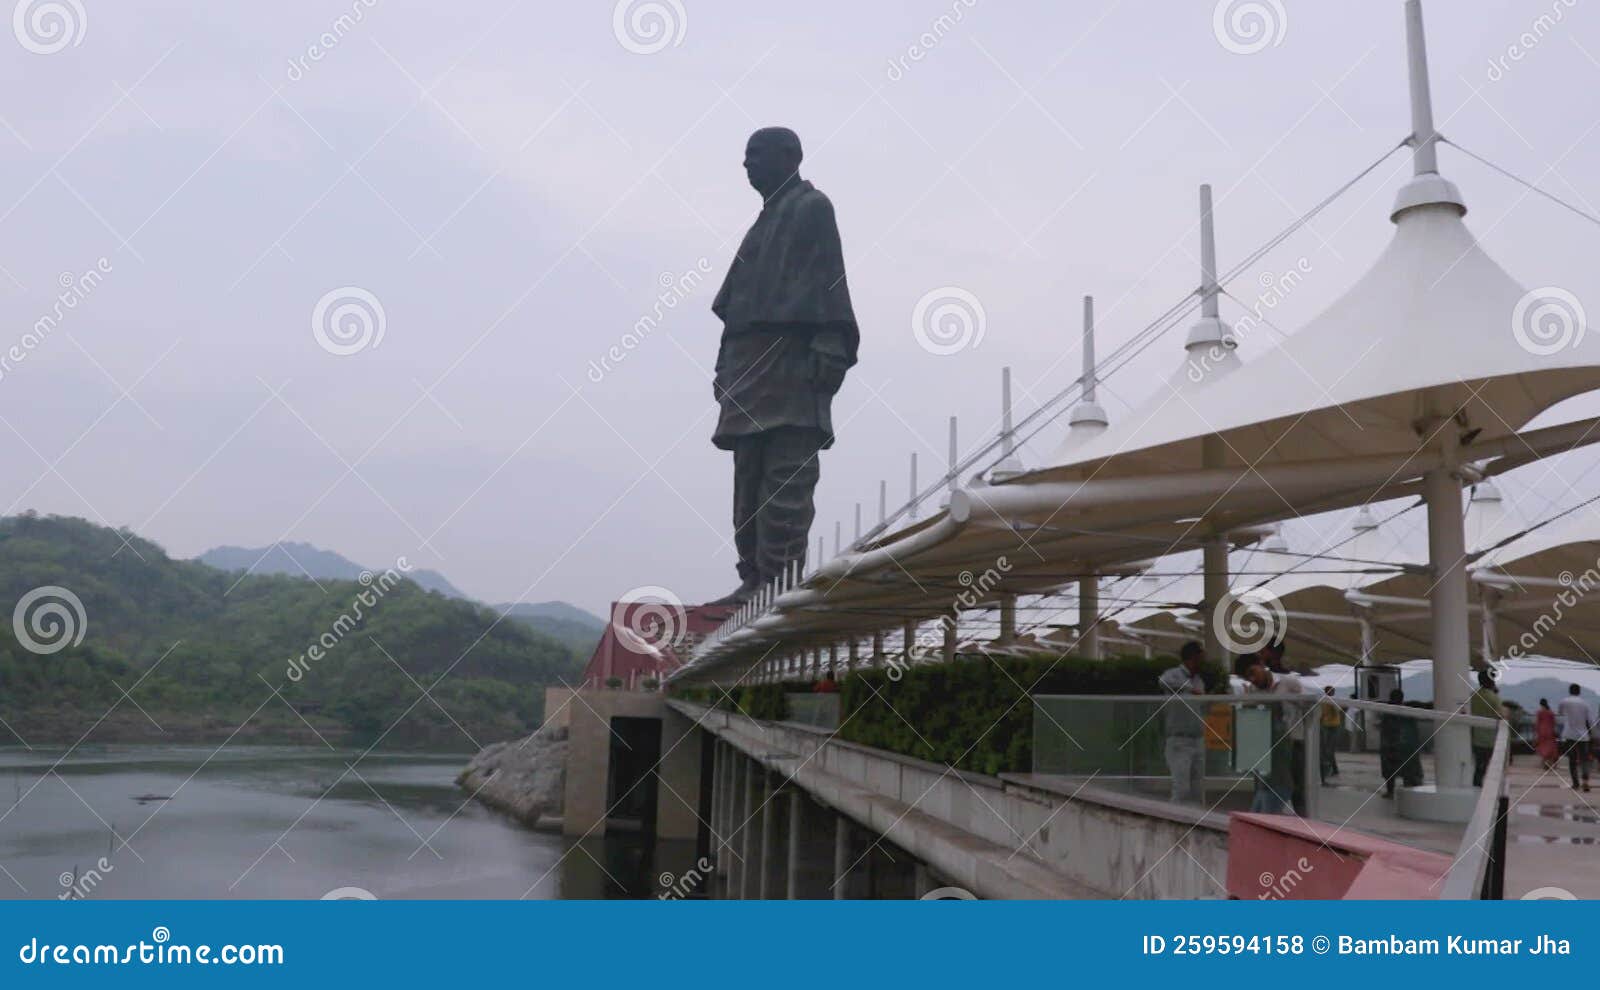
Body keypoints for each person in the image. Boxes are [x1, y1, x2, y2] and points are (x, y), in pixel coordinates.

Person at [709, 127, 859, 605]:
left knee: (785, 480)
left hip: (791, 363)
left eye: (755, 154)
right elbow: (735, 307)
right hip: (747, 365)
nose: (746, 164)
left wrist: (829, 345)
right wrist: (723, 363)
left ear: (789, 156)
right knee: (747, 479)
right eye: (744, 155)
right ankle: (753, 577)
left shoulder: (812, 207)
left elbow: (830, 281)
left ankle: (776, 582)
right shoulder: (763, 220)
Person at [1242, 657, 1305, 814]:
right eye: (1248, 677)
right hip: (1268, 747)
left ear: (1262, 665)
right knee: (1264, 788)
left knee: (1298, 790)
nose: (1252, 679)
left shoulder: (1288, 683)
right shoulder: (1254, 690)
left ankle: (1306, 823)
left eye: (1253, 672)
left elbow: (1308, 705)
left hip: (1293, 741)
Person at [1158, 641, 1208, 803]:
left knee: (1198, 789)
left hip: (1197, 739)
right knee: (1181, 788)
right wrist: (1189, 688)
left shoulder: (1199, 680)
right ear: (1192, 657)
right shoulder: (1173, 675)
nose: (1203, 661)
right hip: (1179, 740)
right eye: (1201, 657)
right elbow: (1163, 682)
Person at [1378, 688, 1424, 797]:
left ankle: (1390, 792)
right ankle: (1409, 792)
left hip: (1391, 747)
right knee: (1408, 771)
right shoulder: (1408, 712)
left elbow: (1385, 730)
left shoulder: (1387, 712)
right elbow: (1414, 732)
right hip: (1407, 747)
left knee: (1389, 771)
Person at [1468, 669, 1502, 787]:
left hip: (1475, 737)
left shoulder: (1473, 695)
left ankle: (1476, 788)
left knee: (1479, 767)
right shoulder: (1493, 697)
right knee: (1486, 768)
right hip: (1490, 739)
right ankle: (1481, 792)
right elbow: (1502, 715)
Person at [1556, 683, 1593, 791]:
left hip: (1569, 734)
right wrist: (1593, 735)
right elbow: (1590, 721)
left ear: (1570, 691)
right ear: (1579, 692)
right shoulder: (1585, 704)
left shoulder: (1564, 701)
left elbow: (1560, 713)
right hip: (1583, 736)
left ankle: (1575, 783)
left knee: (1572, 760)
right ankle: (1585, 781)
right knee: (1584, 760)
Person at [1318, 686, 1344, 781]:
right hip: (1326, 726)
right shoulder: (1323, 701)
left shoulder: (1333, 701)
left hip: (1334, 726)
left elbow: (1338, 710)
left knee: (1329, 749)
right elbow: (1321, 714)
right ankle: (1332, 769)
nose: (1331, 693)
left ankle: (1332, 769)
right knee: (1326, 750)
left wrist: (1333, 703)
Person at [1535, 698, 1559, 770]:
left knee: (1543, 747)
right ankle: (1551, 763)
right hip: (1550, 732)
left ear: (1540, 704)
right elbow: (1554, 723)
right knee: (1551, 748)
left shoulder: (1539, 712)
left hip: (1541, 732)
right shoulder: (1551, 712)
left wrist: (1536, 732)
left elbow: (1537, 723)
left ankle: (1545, 763)